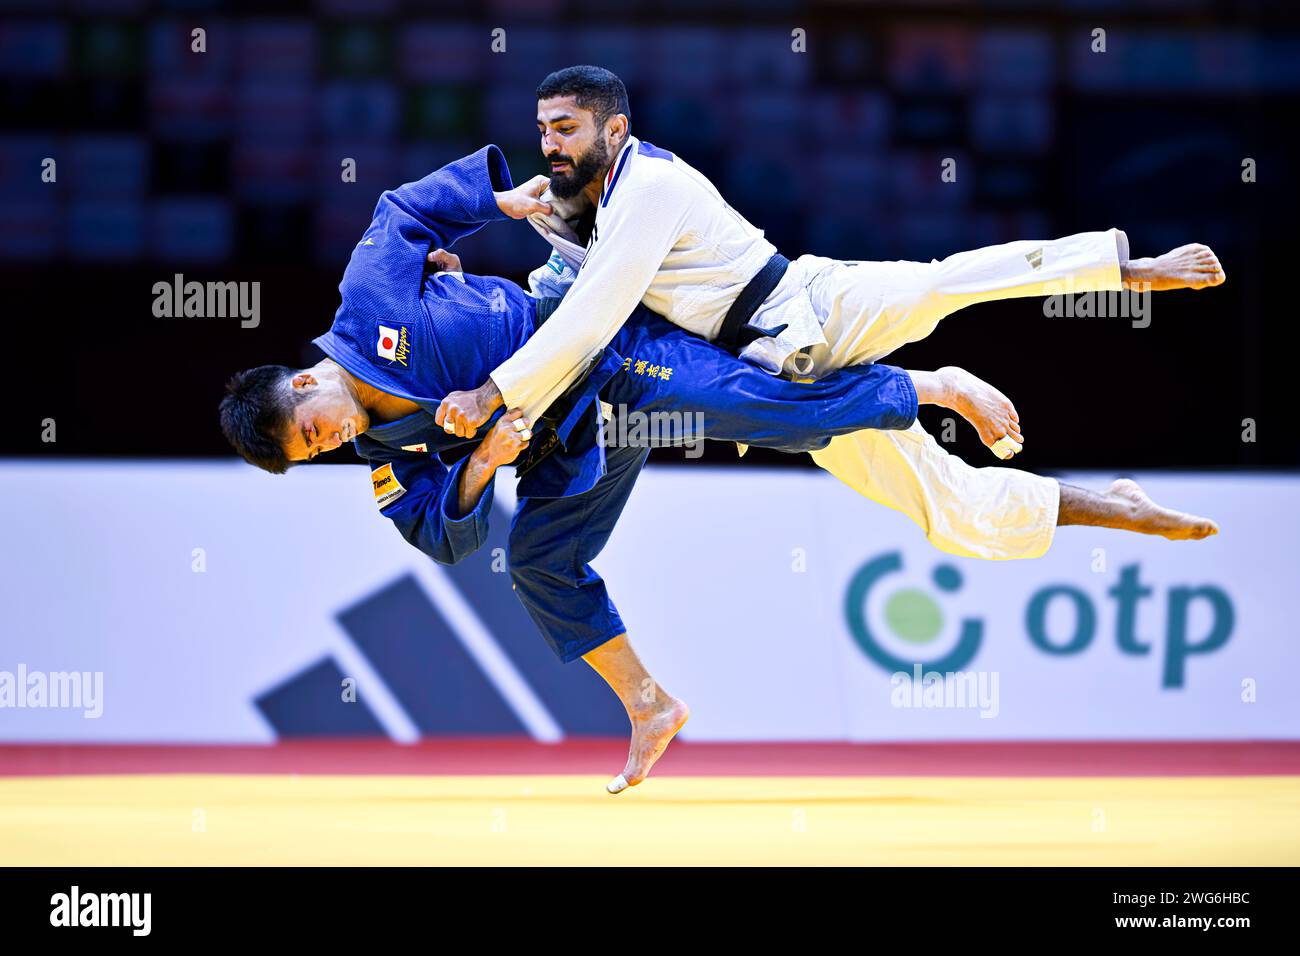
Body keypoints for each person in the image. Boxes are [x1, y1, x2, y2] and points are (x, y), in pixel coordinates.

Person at [219, 145, 1019, 793]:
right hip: (568, 445)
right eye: (316, 453)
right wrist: (482, 467)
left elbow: (403, 210)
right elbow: (439, 535)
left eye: (313, 432)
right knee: (536, 563)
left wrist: (495, 204)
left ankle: (929, 385)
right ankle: (649, 704)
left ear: (301, 385)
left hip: (593, 348)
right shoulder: (383, 454)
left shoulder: (367, 301)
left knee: (765, 406)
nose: (329, 443)